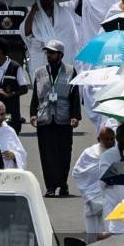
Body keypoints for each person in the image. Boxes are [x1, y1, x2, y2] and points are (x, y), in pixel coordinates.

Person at [30, 39, 81, 196]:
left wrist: (75, 116)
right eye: (48, 52)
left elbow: (75, 95)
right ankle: (50, 187)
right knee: (47, 154)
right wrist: (33, 114)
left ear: (60, 55)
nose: (49, 55)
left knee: (64, 153)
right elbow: (35, 95)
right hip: (45, 118)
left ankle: (62, 183)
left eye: (52, 53)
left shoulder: (70, 71)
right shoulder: (39, 72)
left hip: (63, 118)